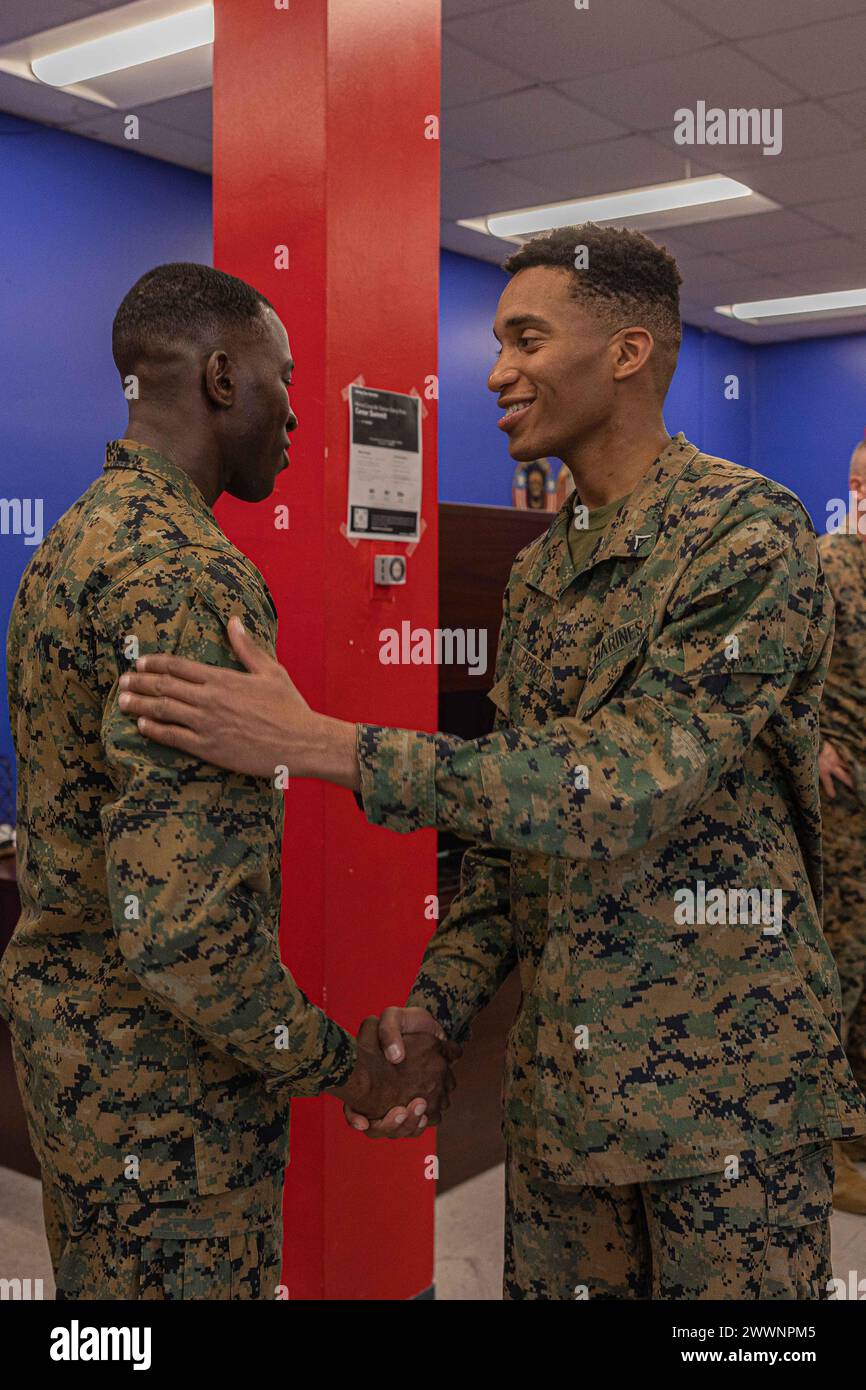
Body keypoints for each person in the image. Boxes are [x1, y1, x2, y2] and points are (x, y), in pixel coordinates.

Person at [117, 226, 866, 1300]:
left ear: (623, 352)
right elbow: (513, 840)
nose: (493, 371)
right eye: (495, 340)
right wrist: (436, 1010)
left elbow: (618, 785)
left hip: (728, 1109)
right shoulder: (542, 574)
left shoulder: (745, 534)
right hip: (567, 1103)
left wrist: (316, 743)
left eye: (525, 337)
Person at [0, 262, 456, 1301]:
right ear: (219, 377)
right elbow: (186, 932)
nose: (296, 411)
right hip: (168, 1110)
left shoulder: (73, 539)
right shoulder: (189, 576)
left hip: (80, 1064)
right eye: (282, 376)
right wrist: (346, 1065)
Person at [817, 437, 866, 1214]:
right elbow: (768, 670)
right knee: (839, 973)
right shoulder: (830, 564)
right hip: (844, 812)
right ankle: (824, 1144)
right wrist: (808, 746)